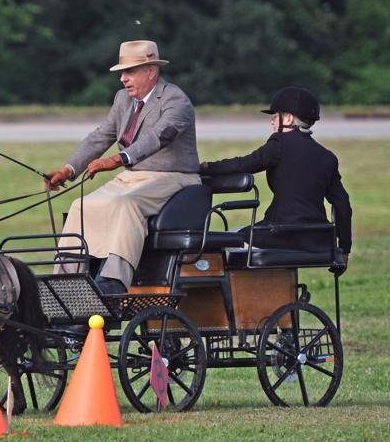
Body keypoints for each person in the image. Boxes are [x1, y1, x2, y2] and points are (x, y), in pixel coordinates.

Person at [45, 40, 200, 295]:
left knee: (126, 204)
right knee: (79, 206)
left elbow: (158, 138)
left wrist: (117, 160)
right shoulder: (122, 100)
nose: (123, 79)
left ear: (150, 71)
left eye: (129, 72)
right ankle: (66, 284)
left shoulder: (176, 101)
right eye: (122, 74)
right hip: (132, 176)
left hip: (175, 178)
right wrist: (69, 170)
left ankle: (113, 281)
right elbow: (101, 136)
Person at [200, 87, 352, 273]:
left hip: (280, 233)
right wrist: (344, 250)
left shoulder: (278, 144)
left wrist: (207, 167)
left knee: (222, 241)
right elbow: (343, 205)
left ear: (288, 118)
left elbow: (244, 164)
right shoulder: (327, 157)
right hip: (316, 238)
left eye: (275, 116)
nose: (272, 120)